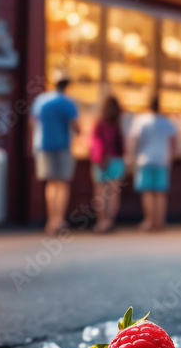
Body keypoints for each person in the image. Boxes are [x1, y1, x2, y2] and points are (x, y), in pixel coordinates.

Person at [31, 73, 79, 235]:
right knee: (62, 183)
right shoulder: (68, 103)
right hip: (63, 146)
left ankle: (52, 220)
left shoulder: (41, 101)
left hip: (44, 145)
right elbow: (76, 127)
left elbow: (33, 123)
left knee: (51, 184)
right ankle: (59, 219)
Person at [129, 98, 177, 231]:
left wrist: (131, 155)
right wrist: (171, 156)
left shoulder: (141, 120)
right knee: (160, 192)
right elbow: (173, 141)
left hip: (145, 159)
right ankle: (159, 221)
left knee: (148, 191)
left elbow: (134, 140)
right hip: (162, 160)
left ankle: (149, 221)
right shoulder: (166, 121)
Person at [90, 96, 125, 233]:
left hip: (100, 160)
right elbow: (122, 145)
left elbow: (94, 142)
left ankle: (101, 221)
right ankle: (110, 221)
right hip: (116, 160)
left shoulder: (99, 123)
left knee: (100, 193)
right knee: (113, 194)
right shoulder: (118, 124)